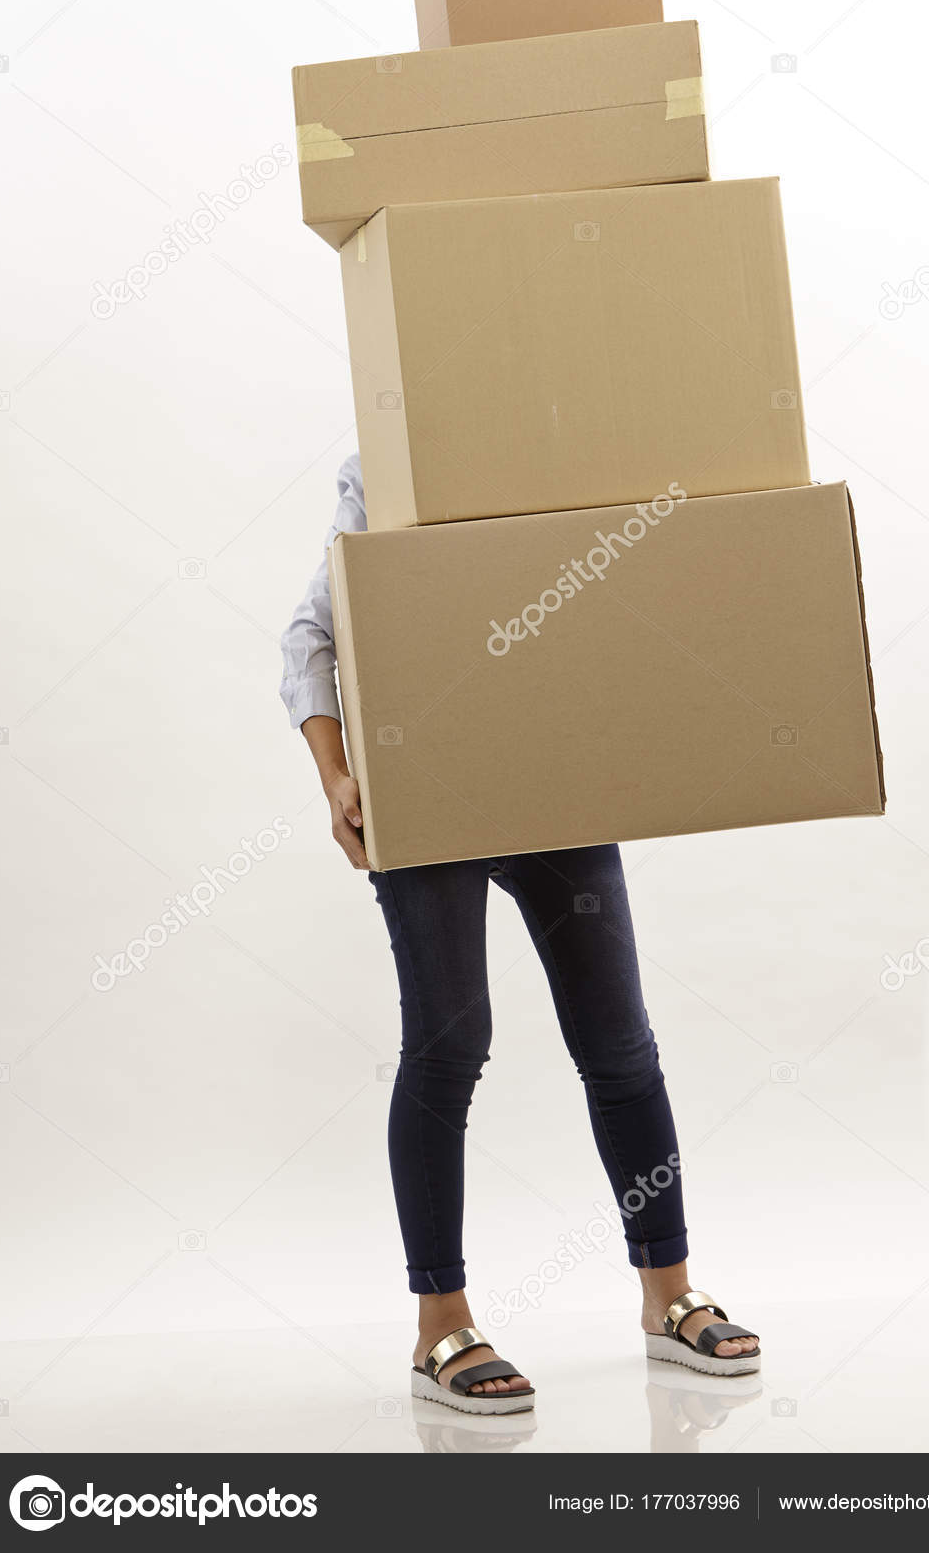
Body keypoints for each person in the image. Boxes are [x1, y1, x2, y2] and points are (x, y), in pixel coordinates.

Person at [280, 453, 760, 1415]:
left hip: (551, 783)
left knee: (618, 1041)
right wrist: (334, 776)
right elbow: (311, 633)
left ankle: (667, 1295)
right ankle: (440, 1325)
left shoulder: (569, 441)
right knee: (450, 1044)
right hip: (425, 787)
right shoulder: (381, 463)